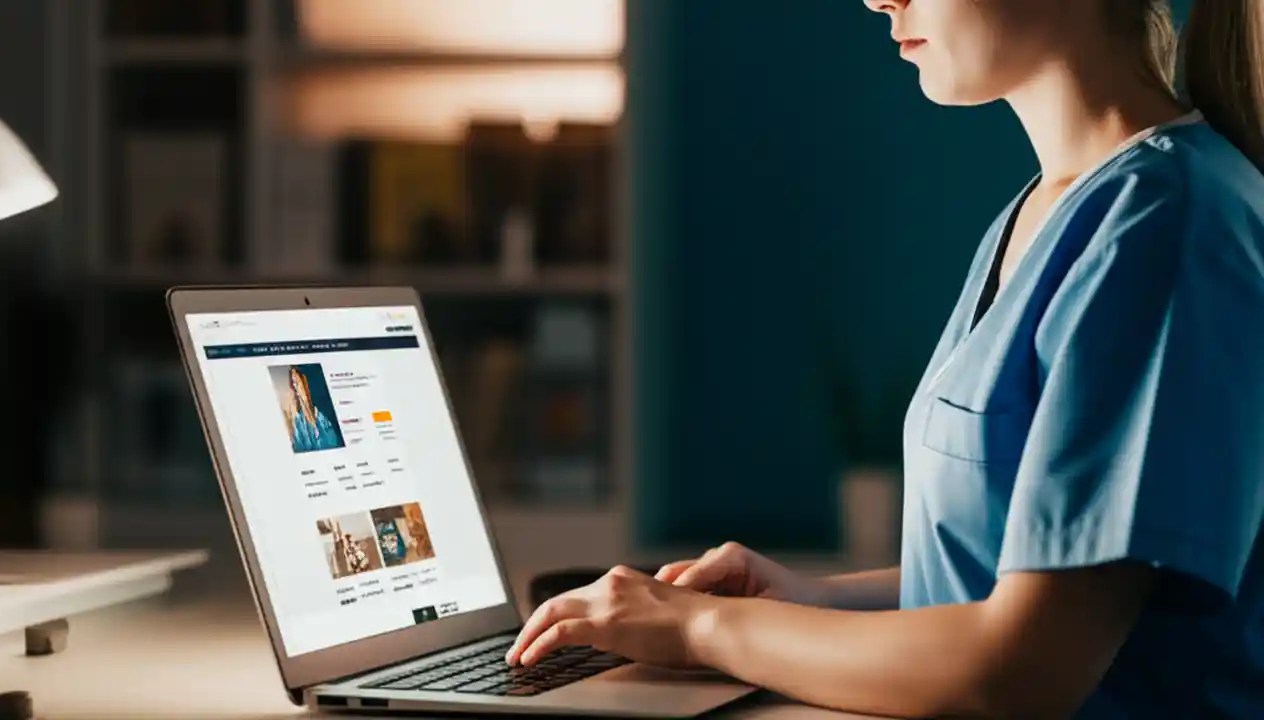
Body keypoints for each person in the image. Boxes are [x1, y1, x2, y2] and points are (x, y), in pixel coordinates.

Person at [505, 1, 1264, 717]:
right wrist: (812, 600)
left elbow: (1025, 668)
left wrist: (699, 629)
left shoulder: (1167, 227)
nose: (877, 0)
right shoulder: (1049, 209)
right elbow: (1024, 574)